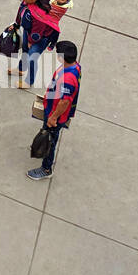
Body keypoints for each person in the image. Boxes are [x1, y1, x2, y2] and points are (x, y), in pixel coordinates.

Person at [27, 40, 81, 181]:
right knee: (47, 133)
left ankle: (46, 168)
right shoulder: (74, 67)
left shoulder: (68, 79)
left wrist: (53, 117)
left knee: (50, 140)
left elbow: (64, 101)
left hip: (55, 115)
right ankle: (42, 146)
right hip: (51, 106)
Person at [6, 0, 62, 89]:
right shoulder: (27, 2)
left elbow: (38, 32)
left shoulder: (40, 13)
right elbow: (20, 12)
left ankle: (29, 82)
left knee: (32, 57)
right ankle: (21, 69)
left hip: (41, 38)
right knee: (25, 50)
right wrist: (16, 24)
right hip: (29, 32)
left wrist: (31, 41)